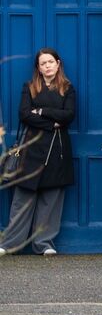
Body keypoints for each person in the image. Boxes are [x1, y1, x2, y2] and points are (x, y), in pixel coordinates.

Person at [0, 49, 76, 256]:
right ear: (38, 68)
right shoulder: (29, 87)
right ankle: (10, 244)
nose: (47, 66)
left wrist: (41, 111)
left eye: (50, 62)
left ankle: (44, 244)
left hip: (57, 149)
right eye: (43, 63)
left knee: (51, 200)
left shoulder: (68, 89)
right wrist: (53, 122)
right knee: (22, 199)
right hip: (31, 149)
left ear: (58, 64)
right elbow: (24, 115)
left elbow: (68, 115)